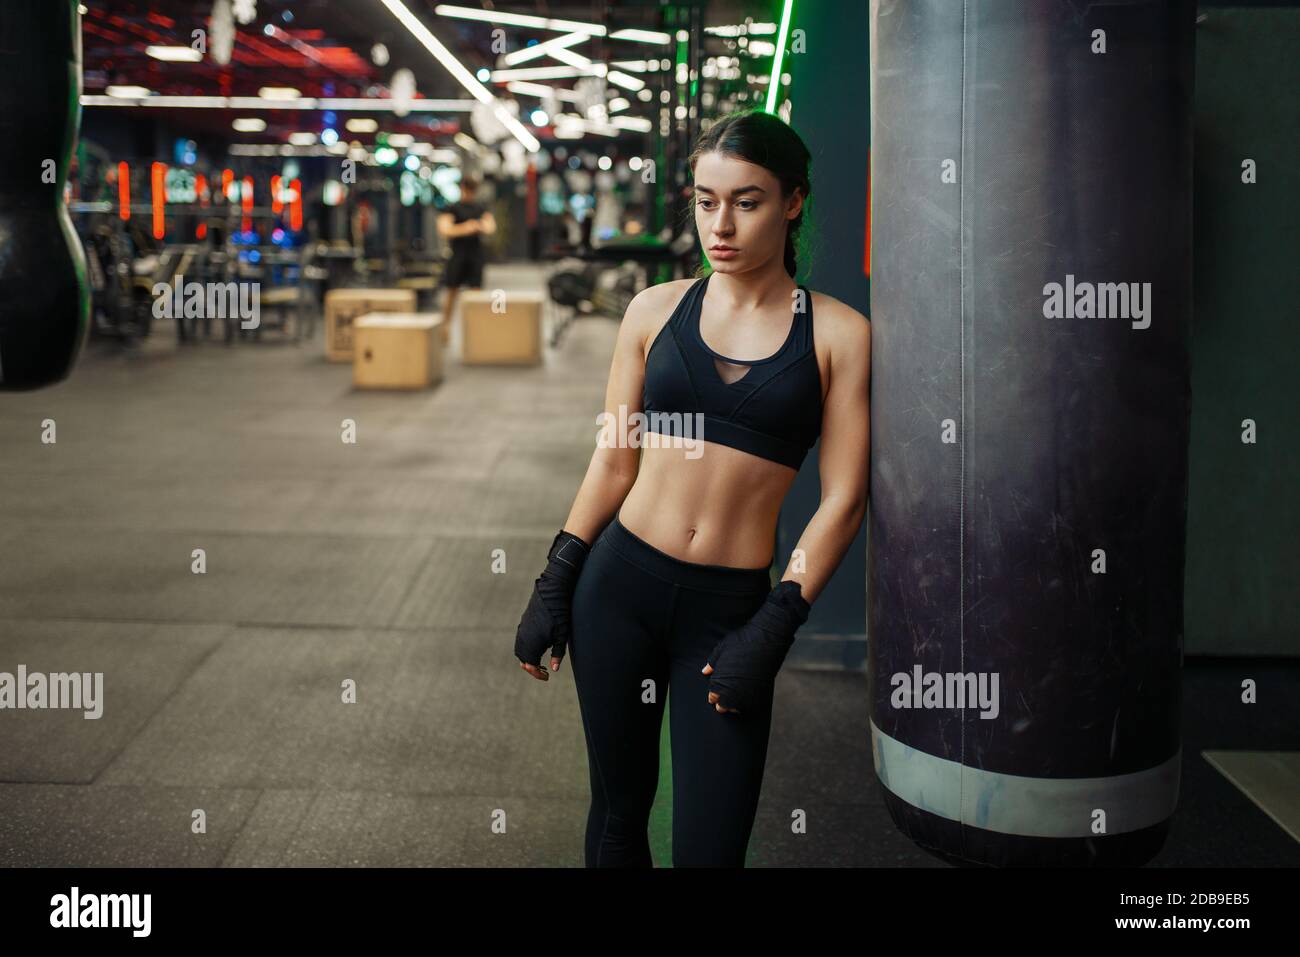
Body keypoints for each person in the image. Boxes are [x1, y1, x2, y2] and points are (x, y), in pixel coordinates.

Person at [514, 110, 871, 867]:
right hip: (618, 591)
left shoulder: (838, 334)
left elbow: (845, 497)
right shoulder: (653, 311)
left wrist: (779, 620)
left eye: (748, 200)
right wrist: (557, 576)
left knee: (711, 850)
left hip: (730, 613)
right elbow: (614, 460)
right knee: (618, 818)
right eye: (706, 201)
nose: (723, 223)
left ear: (793, 200)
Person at [437, 176, 495, 343]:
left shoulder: (480, 208)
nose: (470, 193)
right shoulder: (452, 208)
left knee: (475, 294)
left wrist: (476, 227)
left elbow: (490, 227)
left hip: (475, 255)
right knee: (451, 292)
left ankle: (474, 331)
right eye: (468, 189)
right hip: (457, 254)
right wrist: (467, 227)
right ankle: (445, 328)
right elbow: (445, 229)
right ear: (462, 188)